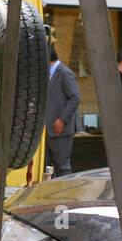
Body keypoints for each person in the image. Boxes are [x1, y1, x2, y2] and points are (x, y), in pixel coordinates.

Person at [46, 45, 80, 177]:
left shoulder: (65, 73)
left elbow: (75, 98)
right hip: (48, 130)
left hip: (61, 129)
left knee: (63, 166)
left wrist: (61, 120)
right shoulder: (49, 74)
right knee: (48, 167)